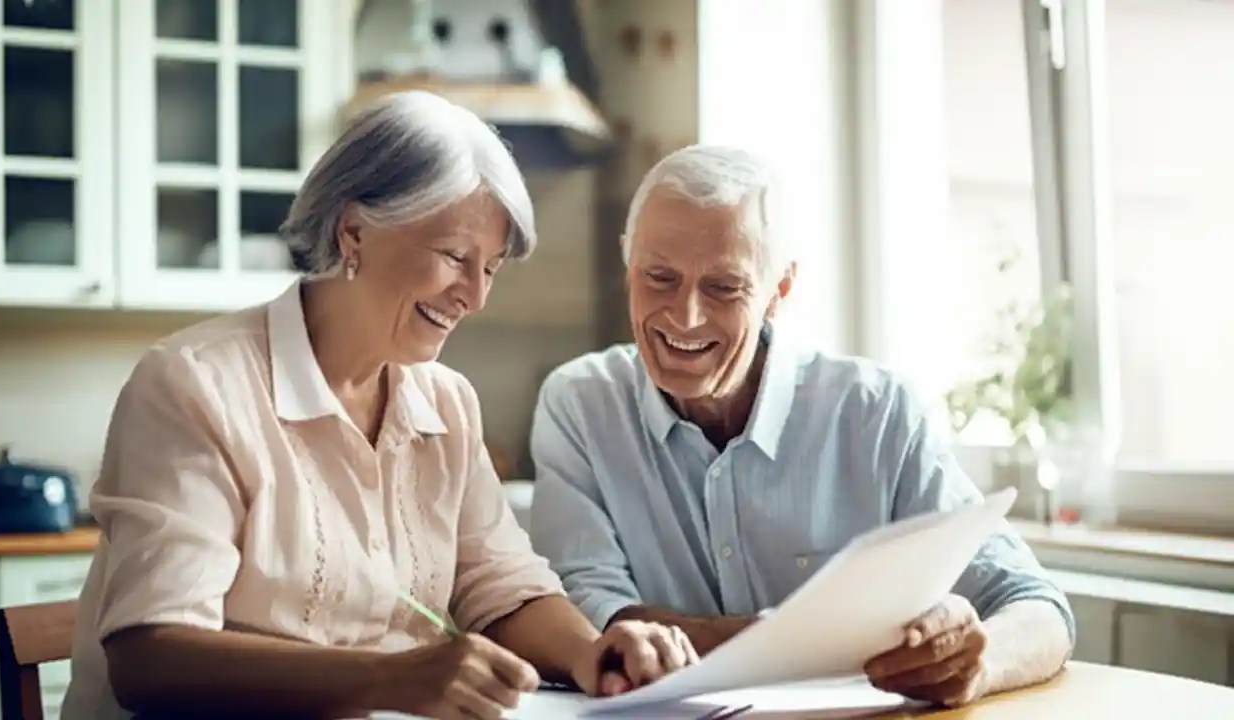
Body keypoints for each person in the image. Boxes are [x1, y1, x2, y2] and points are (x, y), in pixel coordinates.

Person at [61, 92, 697, 720]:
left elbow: (500, 587)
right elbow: (150, 660)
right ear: (354, 230)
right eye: (455, 257)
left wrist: (592, 652)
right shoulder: (193, 385)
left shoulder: (446, 403)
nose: (474, 297)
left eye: (491, 269)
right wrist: (391, 679)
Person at [529, 144, 1074, 708]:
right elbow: (597, 621)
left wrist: (978, 660)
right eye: (660, 278)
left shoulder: (876, 412)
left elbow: (1037, 606)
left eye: (723, 287)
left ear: (778, 291)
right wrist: (846, 642)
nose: (685, 316)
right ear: (628, 268)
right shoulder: (580, 404)